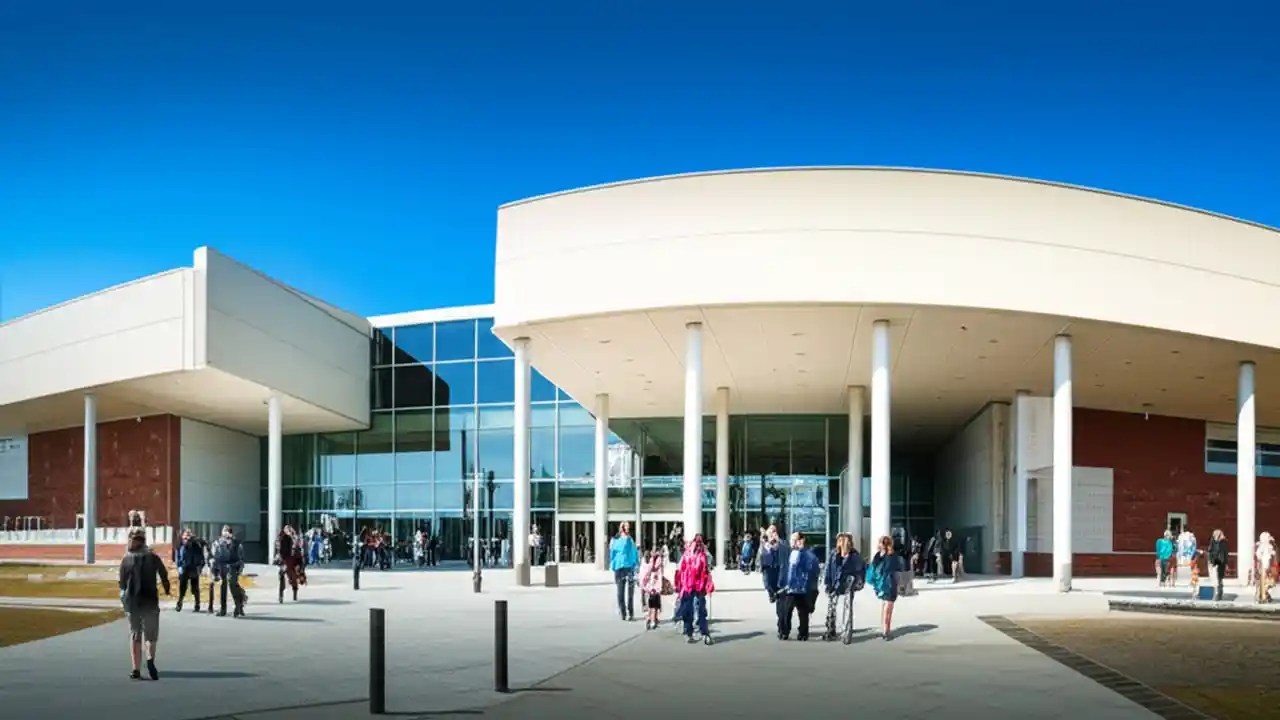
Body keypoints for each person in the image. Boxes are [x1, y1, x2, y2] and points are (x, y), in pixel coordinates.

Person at [118, 527, 171, 680]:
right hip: (150, 600)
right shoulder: (153, 557)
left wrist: (124, 595)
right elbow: (163, 573)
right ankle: (150, 659)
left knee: (135, 633)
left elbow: (121, 583)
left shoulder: (126, 558)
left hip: (132, 601)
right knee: (151, 634)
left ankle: (135, 669)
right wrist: (166, 588)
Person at [776, 532, 820, 641]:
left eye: (795, 540)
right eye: (792, 540)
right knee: (787, 611)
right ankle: (784, 631)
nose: (792, 542)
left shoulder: (809, 554)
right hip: (790, 587)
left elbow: (813, 570)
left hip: (802, 588)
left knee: (803, 612)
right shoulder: (789, 553)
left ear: (802, 541)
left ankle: (803, 633)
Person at [822, 532, 865, 643]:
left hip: (848, 584)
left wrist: (858, 582)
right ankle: (831, 631)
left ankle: (846, 634)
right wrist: (827, 582)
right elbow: (828, 568)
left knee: (846, 608)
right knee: (832, 608)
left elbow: (860, 570)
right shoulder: (834, 553)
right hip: (835, 583)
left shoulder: (854, 556)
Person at [673, 534, 715, 644]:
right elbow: (680, 570)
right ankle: (689, 632)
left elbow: (709, 566)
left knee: (700, 609)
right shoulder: (687, 555)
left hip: (699, 585)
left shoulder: (703, 554)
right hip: (688, 585)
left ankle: (703, 632)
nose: (696, 544)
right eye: (694, 542)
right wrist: (679, 584)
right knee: (689, 609)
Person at [867, 534, 902, 640]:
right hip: (890, 584)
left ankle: (884, 628)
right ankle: (886, 630)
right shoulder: (892, 556)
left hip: (880, 584)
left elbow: (873, 568)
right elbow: (897, 570)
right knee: (888, 607)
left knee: (884, 605)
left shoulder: (878, 555)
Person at [211, 525, 247, 617]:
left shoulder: (236, 543)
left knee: (232, 584)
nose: (226, 533)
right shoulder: (217, 543)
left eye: (228, 531)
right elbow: (214, 557)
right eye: (224, 531)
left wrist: (239, 568)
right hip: (221, 566)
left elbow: (241, 558)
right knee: (223, 586)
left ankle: (238, 605)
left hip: (233, 566)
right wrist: (214, 571)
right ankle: (223, 609)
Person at [609, 522, 640, 621]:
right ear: (621, 528)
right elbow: (612, 554)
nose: (627, 528)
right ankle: (623, 612)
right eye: (626, 526)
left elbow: (634, 552)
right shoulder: (615, 540)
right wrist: (613, 564)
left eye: (628, 527)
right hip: (619, 567)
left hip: (629, 567)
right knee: (620, 592)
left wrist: (636, 565)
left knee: (630, 593)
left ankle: (630, 612)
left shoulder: (630, 540)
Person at [174, 528, 205, 613]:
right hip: (184, 568)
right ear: (182, 536)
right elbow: (178, 557)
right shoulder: (179, 545)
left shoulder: (195, 544)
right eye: (185, 535)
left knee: (194, 588)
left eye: (188, 535)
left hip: (194, 568)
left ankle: (197, 604)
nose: (186, 537)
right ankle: (179, 603)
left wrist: (200, 566)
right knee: (182, 587)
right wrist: (179, 566)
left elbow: (201, 555)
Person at [275, 525, 304, 603]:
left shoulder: (294, 538)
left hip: (292, 560)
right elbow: (278, 549)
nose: (288, 531)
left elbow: (298, 549)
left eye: (289, 530)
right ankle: (281, 595)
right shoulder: (280, 538)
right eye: (287, 530)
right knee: (282, 576)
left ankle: (294, 593)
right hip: (285, 560)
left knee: (293, 577)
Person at [639, 549, 667, 630]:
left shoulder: (644, 562)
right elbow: (660, 574)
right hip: (654, 586)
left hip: (645, 587)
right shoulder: (657, 561)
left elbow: (641, 575)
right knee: (654, 604)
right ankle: (653, 620)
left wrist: (642, 584)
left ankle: (648, 618)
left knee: (647, 604)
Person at [760, 525, 782, 603]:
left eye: (774, 530)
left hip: (775, 564)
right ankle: (771, 594)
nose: (772, 532)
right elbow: (765, 545)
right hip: (766, 564)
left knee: (774, 581)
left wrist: (776, 540)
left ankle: (774, 594)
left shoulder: (777, 541)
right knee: (767, 582)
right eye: (770, 530)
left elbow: (776, 548)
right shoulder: (764, 540)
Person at [1256, 532, 1277, 604]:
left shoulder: (1270, 545)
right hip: (1264, 565)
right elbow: (1258, 554)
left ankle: (1265, 595)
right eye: (1268, 537)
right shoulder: (1261, 546)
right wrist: (1261, 559)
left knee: (1270, 581)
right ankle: (1263, 596)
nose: (1269, 538)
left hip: (1269, 565)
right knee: (1264, 581)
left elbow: (1273, 553)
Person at [1207, 529, 1228, 601]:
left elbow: (1224, 553)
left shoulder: (1223, 542)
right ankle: (1218, 593)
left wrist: (1225, 562)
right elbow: (1210, 551)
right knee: (1216, 578)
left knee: (1219, 577)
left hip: (1220, 561)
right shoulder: (1213, 541)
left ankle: (1218, 593)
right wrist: (1210, 560)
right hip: (1215, 560)